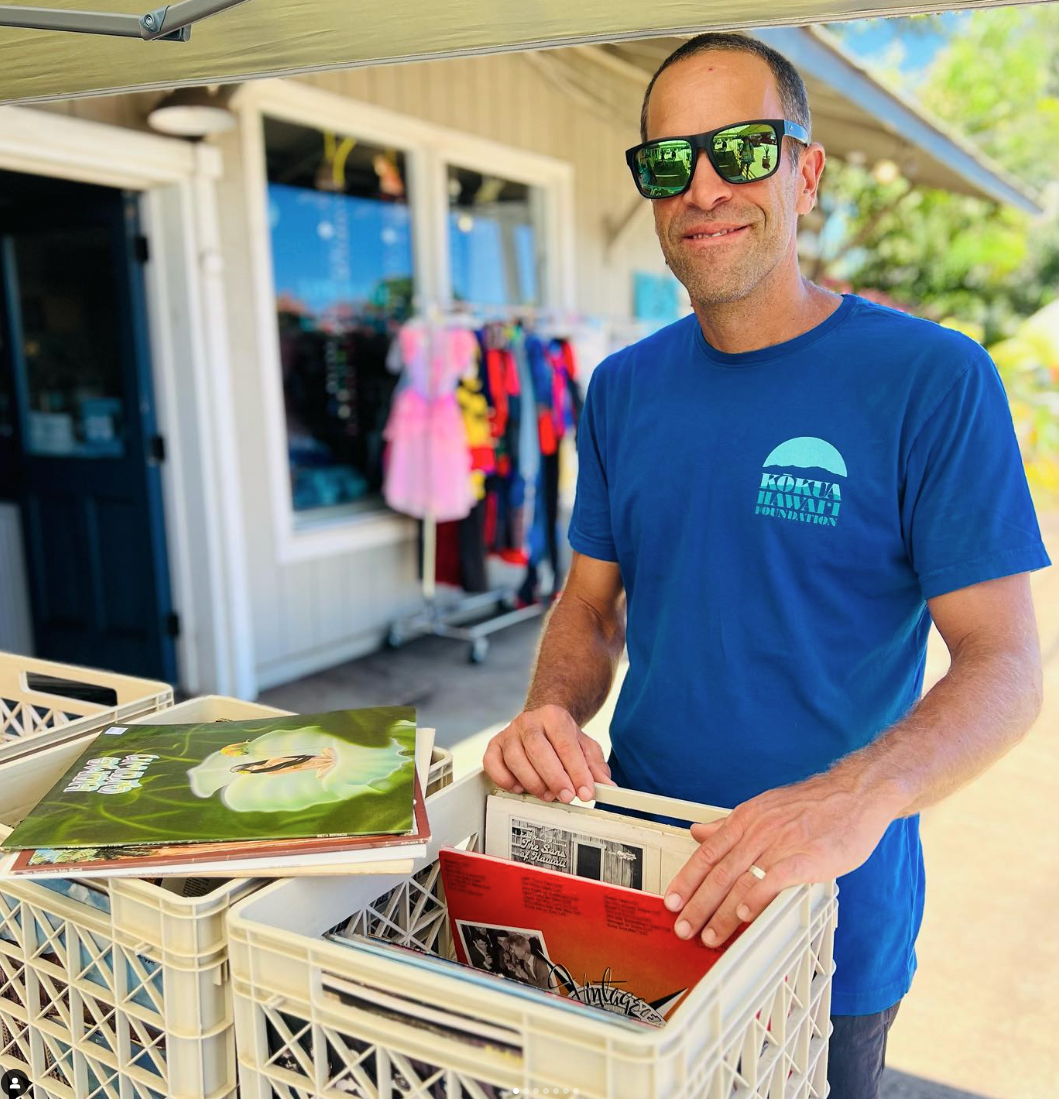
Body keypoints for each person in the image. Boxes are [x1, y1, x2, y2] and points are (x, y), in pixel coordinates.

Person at [483, 32, 1049, 1099]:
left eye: (741, 150)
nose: (703, 188)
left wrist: (852, 797)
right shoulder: (622, 389)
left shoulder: (931, 379)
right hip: (641, 887)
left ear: (807, 172)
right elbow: (593, 607)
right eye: (669, 162)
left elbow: (1005, 663)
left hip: (827, 918)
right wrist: (549, 711)